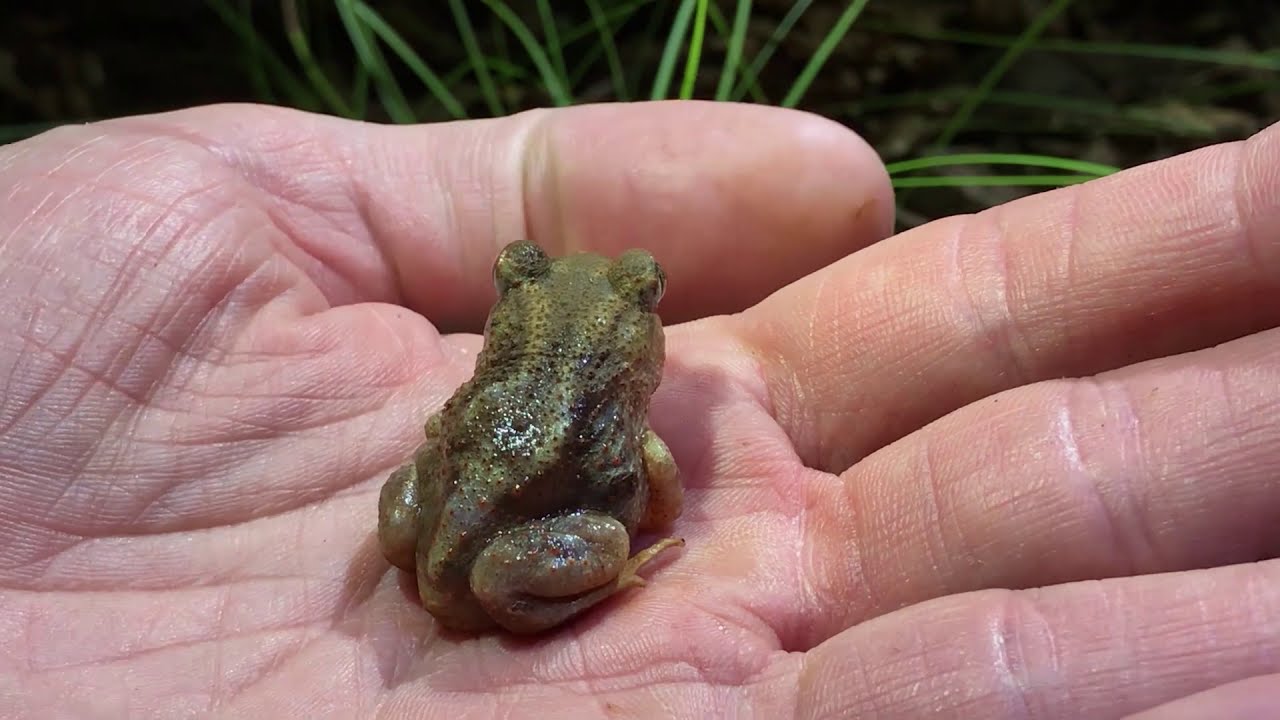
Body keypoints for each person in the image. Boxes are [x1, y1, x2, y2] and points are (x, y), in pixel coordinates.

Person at [0, 100, 1276, 719]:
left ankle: (472, 558)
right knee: (596, 537)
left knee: (440, 506)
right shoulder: (628, 398)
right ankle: (554, 576)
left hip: (431, 525)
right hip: (502, 561)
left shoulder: (508, 362)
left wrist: (453, 519)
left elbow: (441, 455)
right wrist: (647, 543)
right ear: (638, 337)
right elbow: (654, 484)